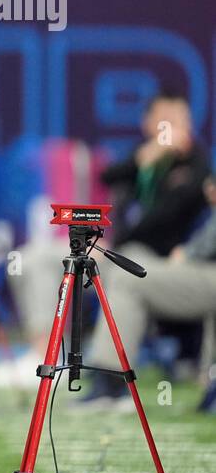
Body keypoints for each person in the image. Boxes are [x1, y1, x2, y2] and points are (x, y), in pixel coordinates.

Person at [0, 92, 211, 387]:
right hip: (116, 251)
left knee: (123, 274)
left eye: (178, 120)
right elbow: (108, 178)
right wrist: (142, 161)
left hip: (151, 261)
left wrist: (109, 249)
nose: (171, 128)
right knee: (33, 258)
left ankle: (107, 380)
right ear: (148, 124)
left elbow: (163, 221)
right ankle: (45, 353)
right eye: (164, 120)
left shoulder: (197, 167)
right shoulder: (143, 157)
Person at [73, 175, 216, 408]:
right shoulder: (161, 167)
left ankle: (112, 381)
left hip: (205, 270)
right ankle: (105, 370)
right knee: (128, 256)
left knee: (128, 279)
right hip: (187, 261)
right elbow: (113, 174)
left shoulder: (193, 167)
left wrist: (188, 254)